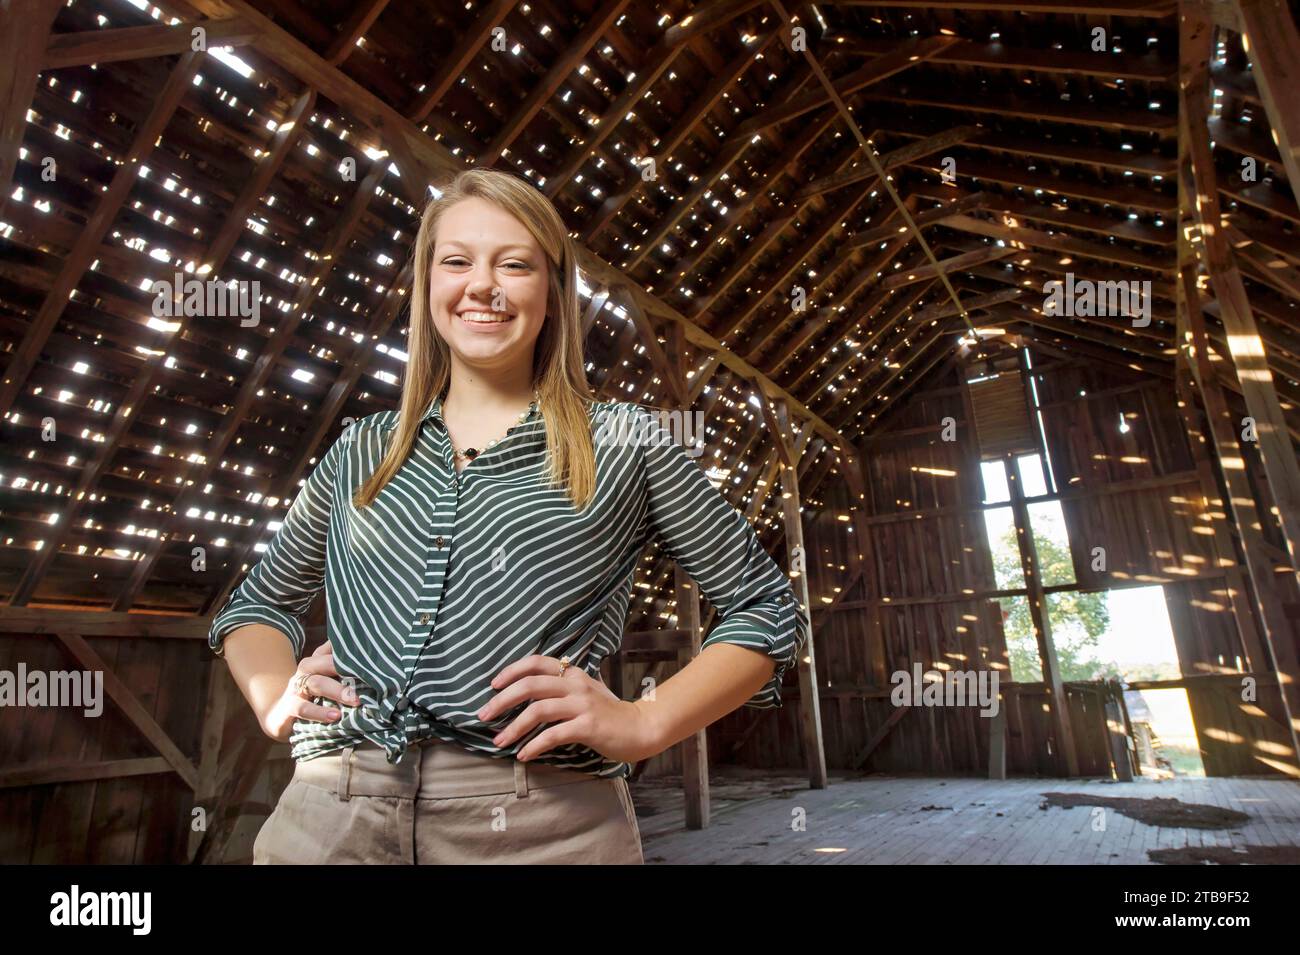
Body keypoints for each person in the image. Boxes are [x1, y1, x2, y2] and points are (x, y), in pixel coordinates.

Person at [209, 167, 810, 865]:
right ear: (429, 283)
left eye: (515, 264)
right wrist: (274, 694)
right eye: (457, 260)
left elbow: (766, 607)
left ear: (552, 294)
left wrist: (643, 721)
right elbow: (257, 603)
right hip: (328, 814)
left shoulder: (624, 441)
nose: (481, 286)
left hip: (541, 825)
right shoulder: (361, 448)